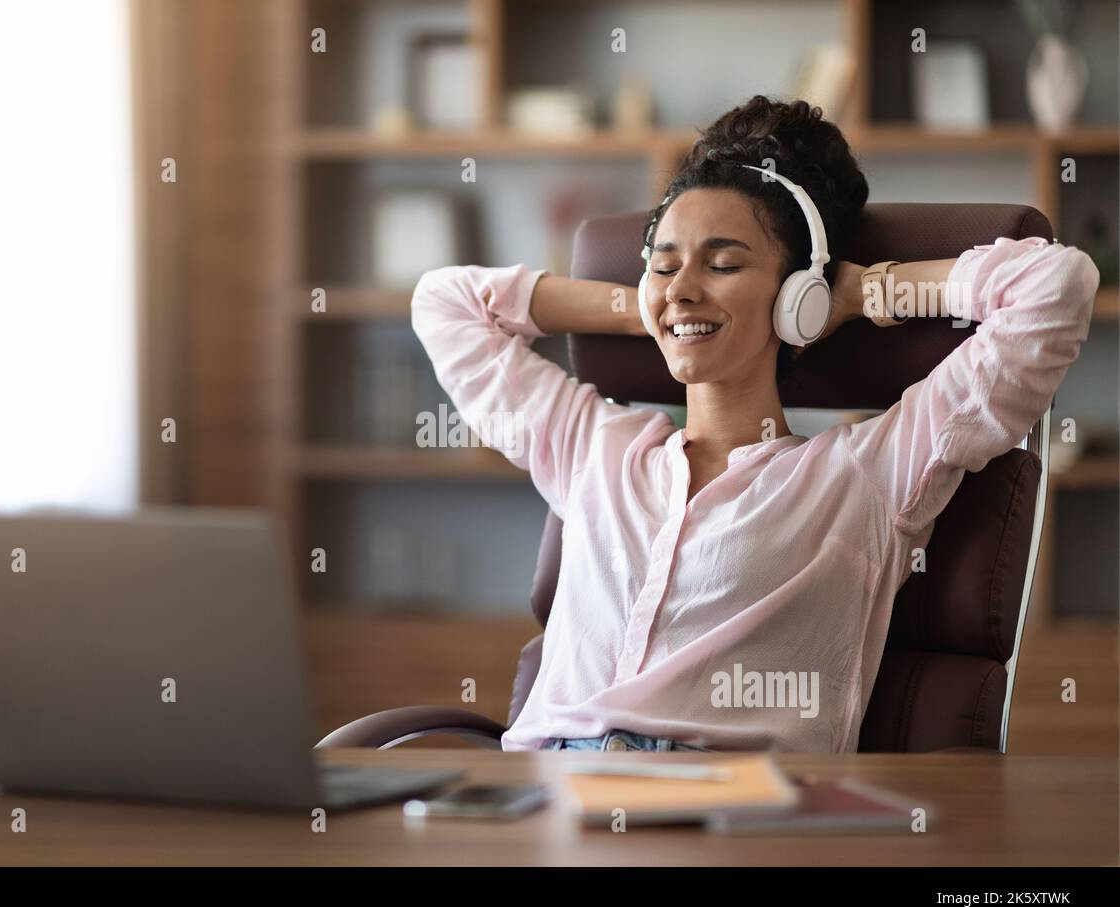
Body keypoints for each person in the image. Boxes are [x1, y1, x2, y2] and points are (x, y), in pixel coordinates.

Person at [410, 95, 1100, 753]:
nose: (683, 284)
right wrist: (645, 307)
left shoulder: (865, 477)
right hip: (544, 795)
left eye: (723, 263)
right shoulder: (594, 447)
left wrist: (858, 294)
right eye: (666, 262)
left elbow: (1053, 288)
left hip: (727, 813)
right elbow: (445, 303)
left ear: (797, 295)